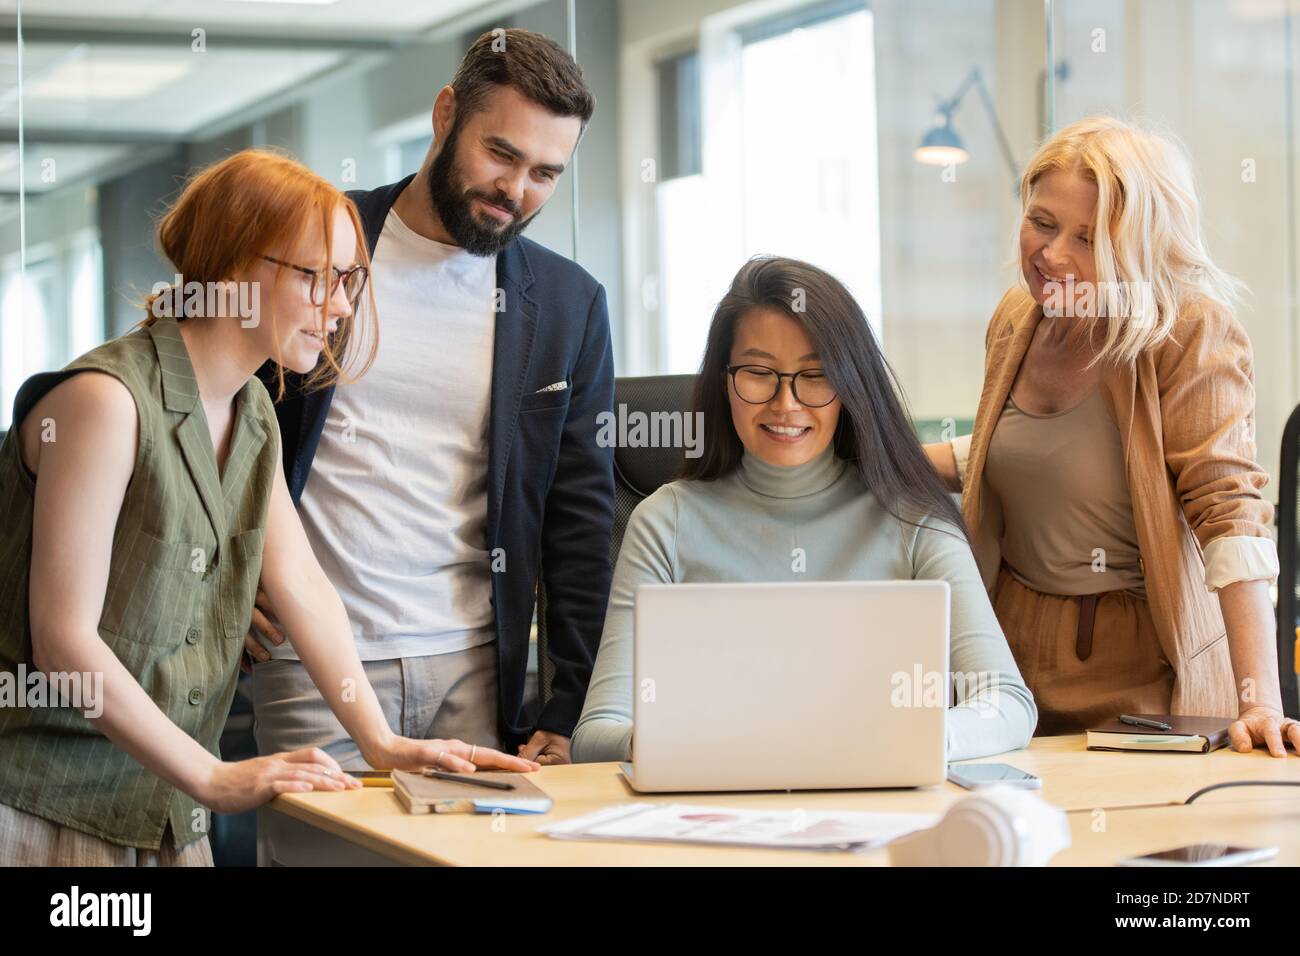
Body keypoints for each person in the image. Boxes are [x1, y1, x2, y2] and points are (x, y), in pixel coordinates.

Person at [0, 149, 535, 867]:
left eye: (346, 280)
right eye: (315, 277)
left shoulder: (251, 409)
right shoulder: (105, 403)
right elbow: (62, 642)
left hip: (161, 807)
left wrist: (380, 741)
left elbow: (304, 588)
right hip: (44, 805)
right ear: (232, 268)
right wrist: (212, 775)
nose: (340, 307)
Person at [246, 27, 614, 860]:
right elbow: (209, 420)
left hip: (475, 667)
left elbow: (579, 517)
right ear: (446, 113)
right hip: (315, 661)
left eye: (546, 173)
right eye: (501, 154)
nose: (516, 189)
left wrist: (569, 706)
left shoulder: (567, 303)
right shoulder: (320, 247)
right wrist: (224, 584)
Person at [924, 116, 1297, 756]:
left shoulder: (1186, 331)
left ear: (1140, 246)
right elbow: (1017, 449)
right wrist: (863, 447)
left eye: (1090, 239)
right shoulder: (1018, 316)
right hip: (1011, 659)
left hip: (1143, 669)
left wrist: (1259, 698)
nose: (1053, 255)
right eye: (1042, 223)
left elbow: (1228, 515)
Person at [571, 256, 1037, 764]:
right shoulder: (666, 521)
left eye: (815, 376)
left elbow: (1007, 705)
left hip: (884, 803)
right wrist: (681, 742)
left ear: (851, 386)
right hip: (716, 810)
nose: (785, 403)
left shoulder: (913, 518)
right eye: (758, 373)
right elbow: (597, 733)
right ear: (725, 379)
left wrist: (913, 737)